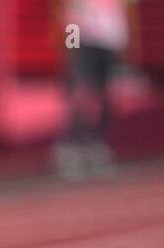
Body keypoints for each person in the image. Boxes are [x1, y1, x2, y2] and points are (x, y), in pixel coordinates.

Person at [51, 0, 140, 177]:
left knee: (109, 94)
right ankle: (72, 143)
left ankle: (96, 141)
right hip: (83, 36)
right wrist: (69, 44)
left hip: (110, 39)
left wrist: (131, 41)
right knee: (81, 91)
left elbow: (128, 8)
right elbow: (60, 6)